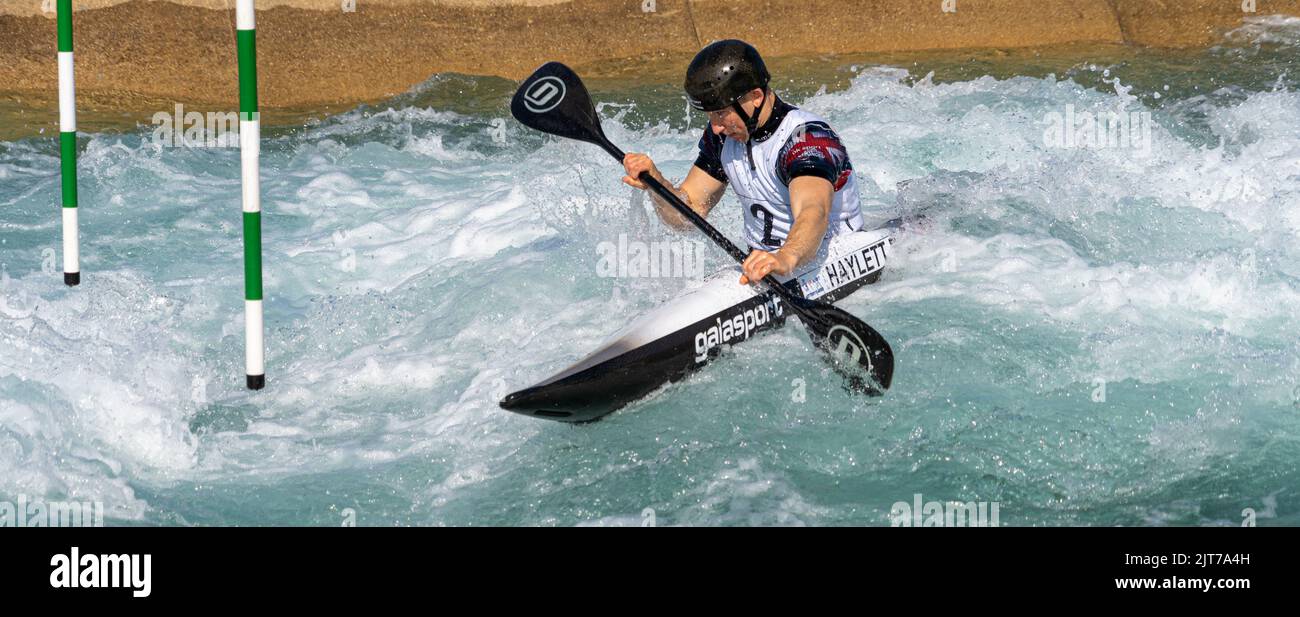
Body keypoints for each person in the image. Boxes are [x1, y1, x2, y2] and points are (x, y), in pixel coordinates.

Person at [622, 39, 864, 286]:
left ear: (756, 96)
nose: (715, 127)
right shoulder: (723, 137)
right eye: (710, 115)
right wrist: (657, 184)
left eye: (720, 113)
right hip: (761, 268)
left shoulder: (807, 139)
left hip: (830, 263)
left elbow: (814, 211)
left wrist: (784, 257)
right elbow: (687, 215)